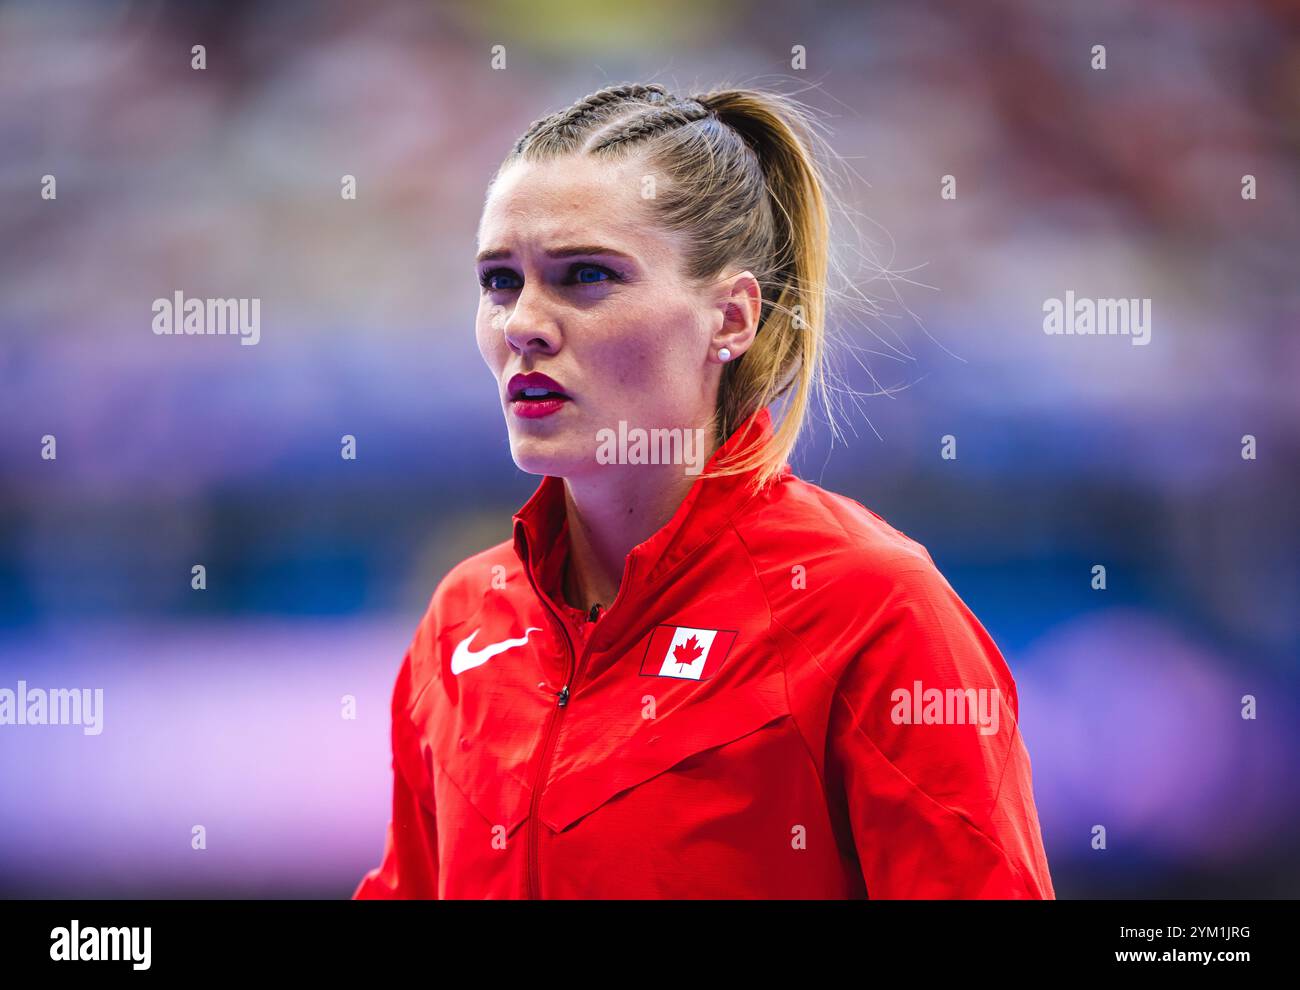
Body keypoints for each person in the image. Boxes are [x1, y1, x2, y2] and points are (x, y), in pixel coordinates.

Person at [353, 82, 1055, 899]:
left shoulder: (873, 607)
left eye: (585, 275)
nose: (523, 324)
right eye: (500, 281)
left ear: (731, 318)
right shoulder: (463, 623)